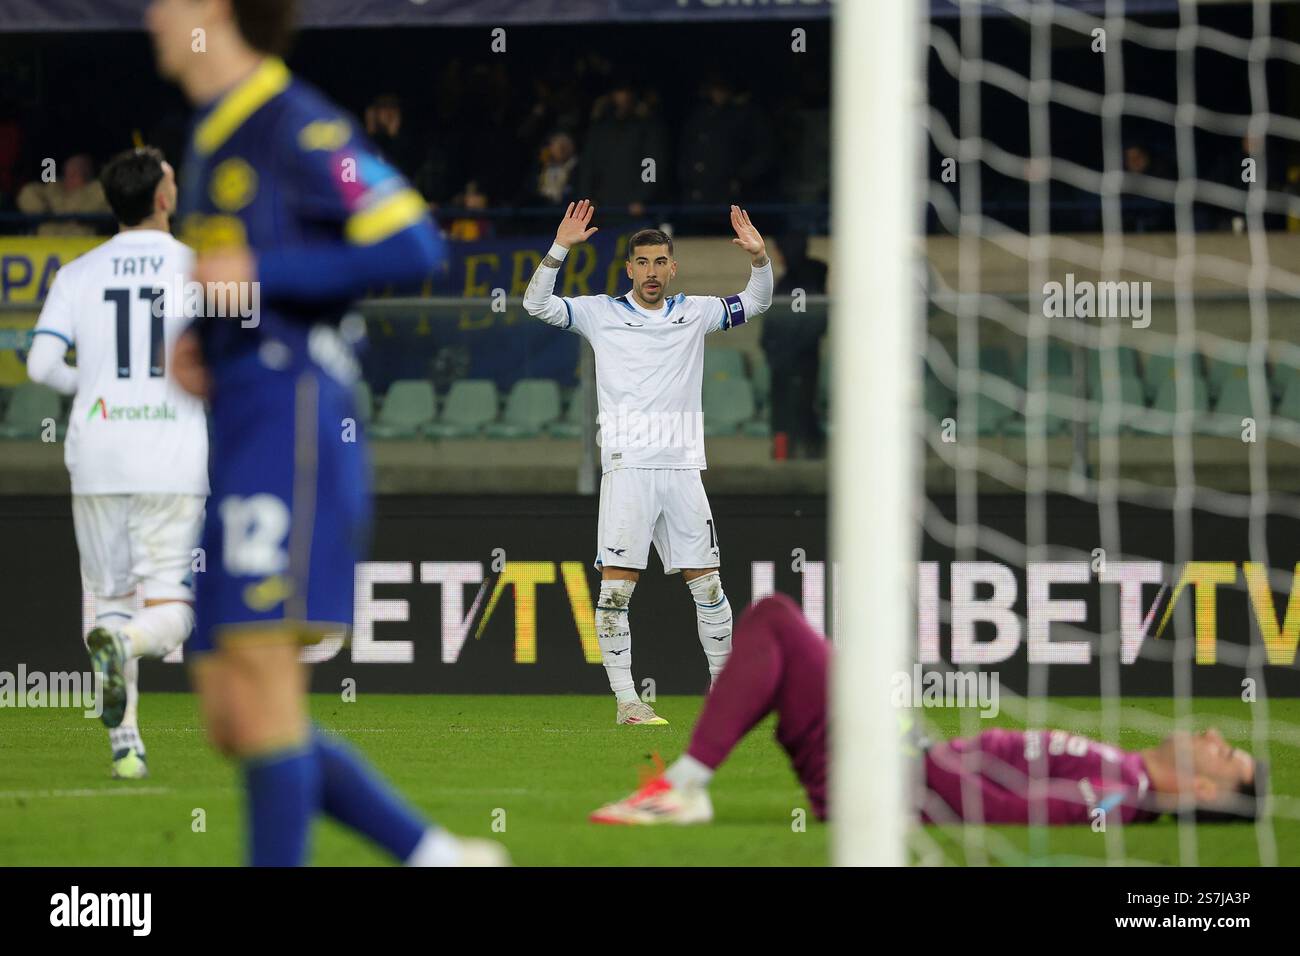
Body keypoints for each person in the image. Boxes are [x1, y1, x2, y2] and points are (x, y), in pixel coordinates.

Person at [146, 0, 505, 866]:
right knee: (235, 714)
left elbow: (415, 244)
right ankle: (435, 856)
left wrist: (259, 274)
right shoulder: (211, 138)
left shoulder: (293, 122)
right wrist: (211, 334)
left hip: (294, 420)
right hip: (242, 420)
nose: (152, 13)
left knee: (264, 682)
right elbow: (252, 277)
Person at [591, 594, 1263, 826]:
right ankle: (686, 786)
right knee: (779, 625)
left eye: (1224, 755)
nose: (1212, 735)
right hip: (894, 760)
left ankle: (683, 788)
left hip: (883, 779)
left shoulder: (1117, 796)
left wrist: (907, 769)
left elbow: (1003, 809)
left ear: (1204, 789)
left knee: (775, 623)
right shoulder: (1124, 770)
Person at [523, 200, 773, 724]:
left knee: (708, 585)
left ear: (672, 267)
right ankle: (628, 702)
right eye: (644, 263)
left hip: (683, 467)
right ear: (630, 268)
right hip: (628, 466)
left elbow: (757, 301)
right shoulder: (601, 313)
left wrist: (758, 258)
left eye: (661, 262)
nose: (653, 272)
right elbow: (536, 305)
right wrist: (560, 248)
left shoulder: (694, 312)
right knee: (617, 589)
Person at [26, 146, 207, 780]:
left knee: (109, 600)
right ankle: (125, 646)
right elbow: (245, 351)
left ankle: (126, 745)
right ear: (162, 197)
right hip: (171, 457)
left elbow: (40, 366)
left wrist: (97, 382)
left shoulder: (77, 273)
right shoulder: (201, 269)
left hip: (97, 452)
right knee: (174, 609)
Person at [16, 153, 112, 236]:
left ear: (89, 173)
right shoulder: (50, 189)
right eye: (70, 169)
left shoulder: (97, 191)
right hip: (44, 246)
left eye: (79, 170)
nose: (72, 173)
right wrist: (45, 212)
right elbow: (28, 197)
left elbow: (100, 205)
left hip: (81, 246)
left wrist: (68, 211)